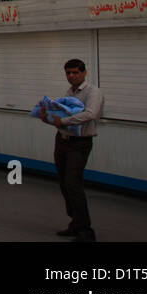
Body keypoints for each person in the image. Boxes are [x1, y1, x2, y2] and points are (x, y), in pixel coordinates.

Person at [39, 58, 104, 242]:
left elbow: (90, 114)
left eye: (75, 72)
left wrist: (64, 121)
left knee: (73, 183)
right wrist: (49, 118)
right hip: (63, 140)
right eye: (68, 73)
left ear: (83, 73)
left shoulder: (93, 92)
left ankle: (86, 231)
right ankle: (75, 222)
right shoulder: (69, 92)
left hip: (79, 144)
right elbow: (64, 116)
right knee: (64, 183)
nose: (71, 76)